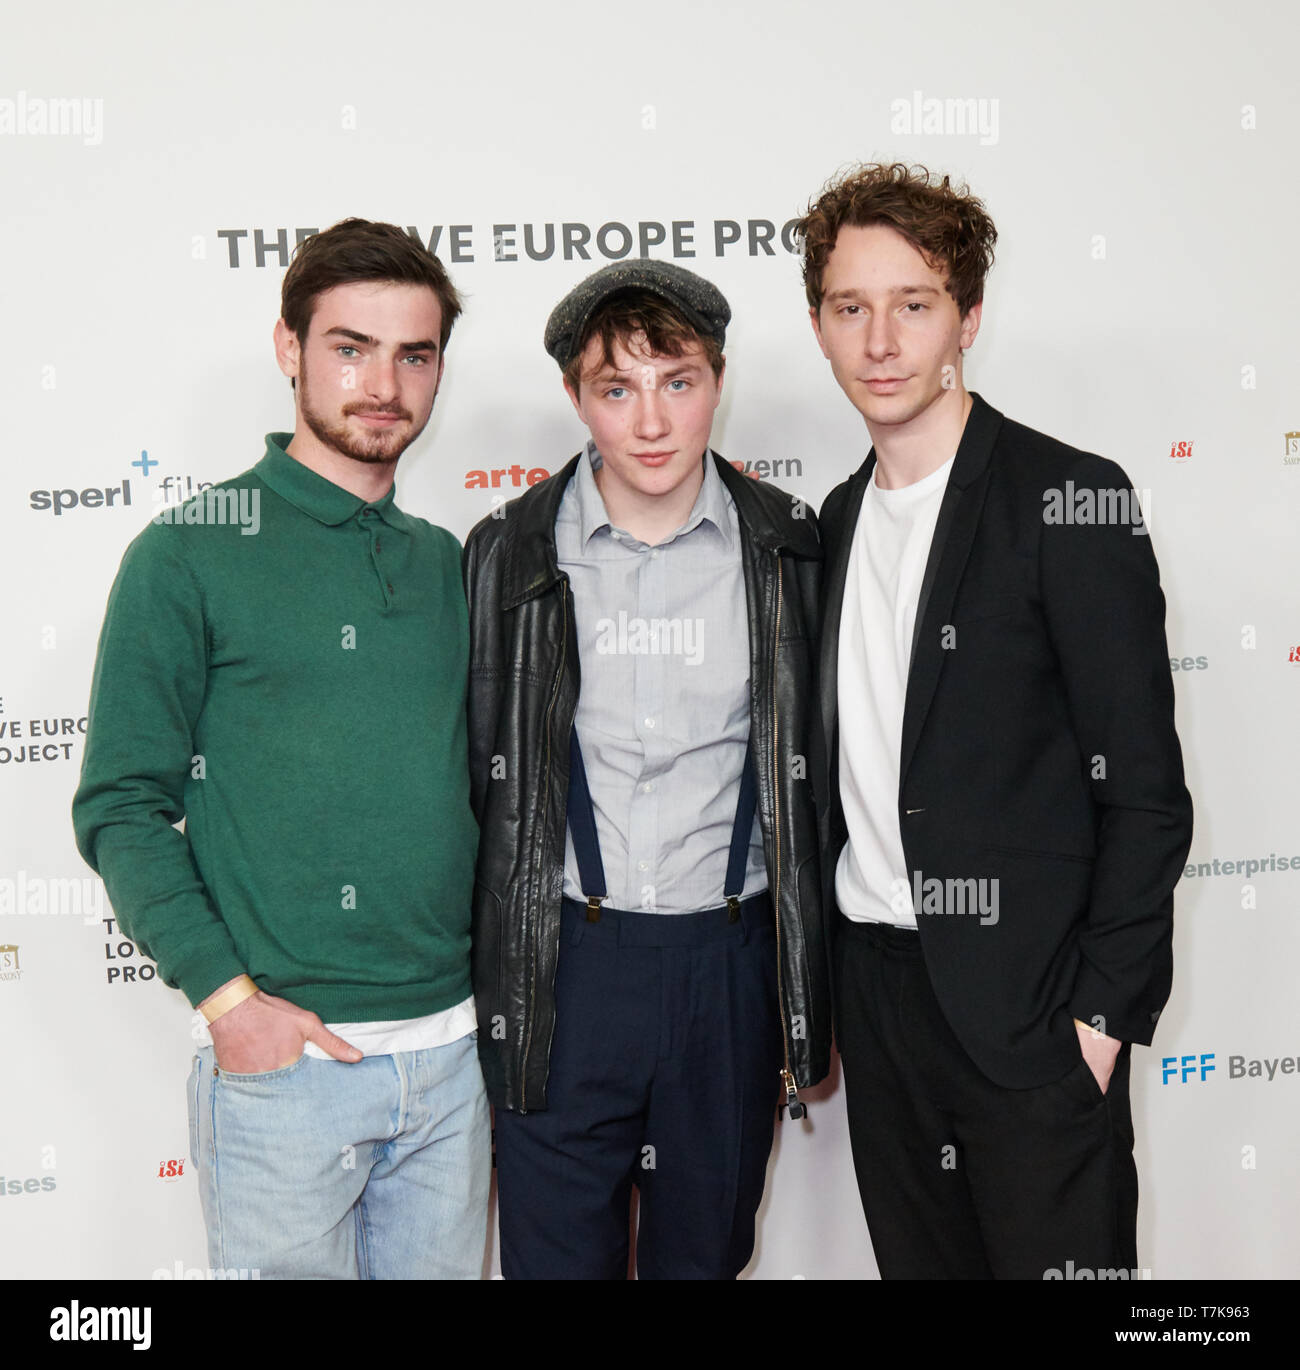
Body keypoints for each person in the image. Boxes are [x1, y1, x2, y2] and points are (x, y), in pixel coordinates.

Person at [72, 218, 489, 1280]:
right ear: (288, 348)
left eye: (414, 353)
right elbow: (121, 802)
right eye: (350, 347)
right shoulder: (188, 553)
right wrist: (227, 1000)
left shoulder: (450, 562)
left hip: (453, 1060)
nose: (383, 383)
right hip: (286, 1073)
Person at [799, 163, 1193, 1279]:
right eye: (849, 307)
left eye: (912, 304)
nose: (880, 340)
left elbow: (1148, 795)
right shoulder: (829, 523)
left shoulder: (1069, 500)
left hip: (1031, 1015)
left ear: (967, 317)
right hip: (880, 1007)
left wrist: (1097, 1025)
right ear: (821, 326)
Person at [463, 261, 830, 1279]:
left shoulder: (790, 548)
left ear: (717, 380)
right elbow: (476, 784)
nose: (653, 420)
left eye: (678, 380)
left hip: (728, 964)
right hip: (562, 966)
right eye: (616, 388)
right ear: (577, 399)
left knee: (703, 1259)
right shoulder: (506, 551)